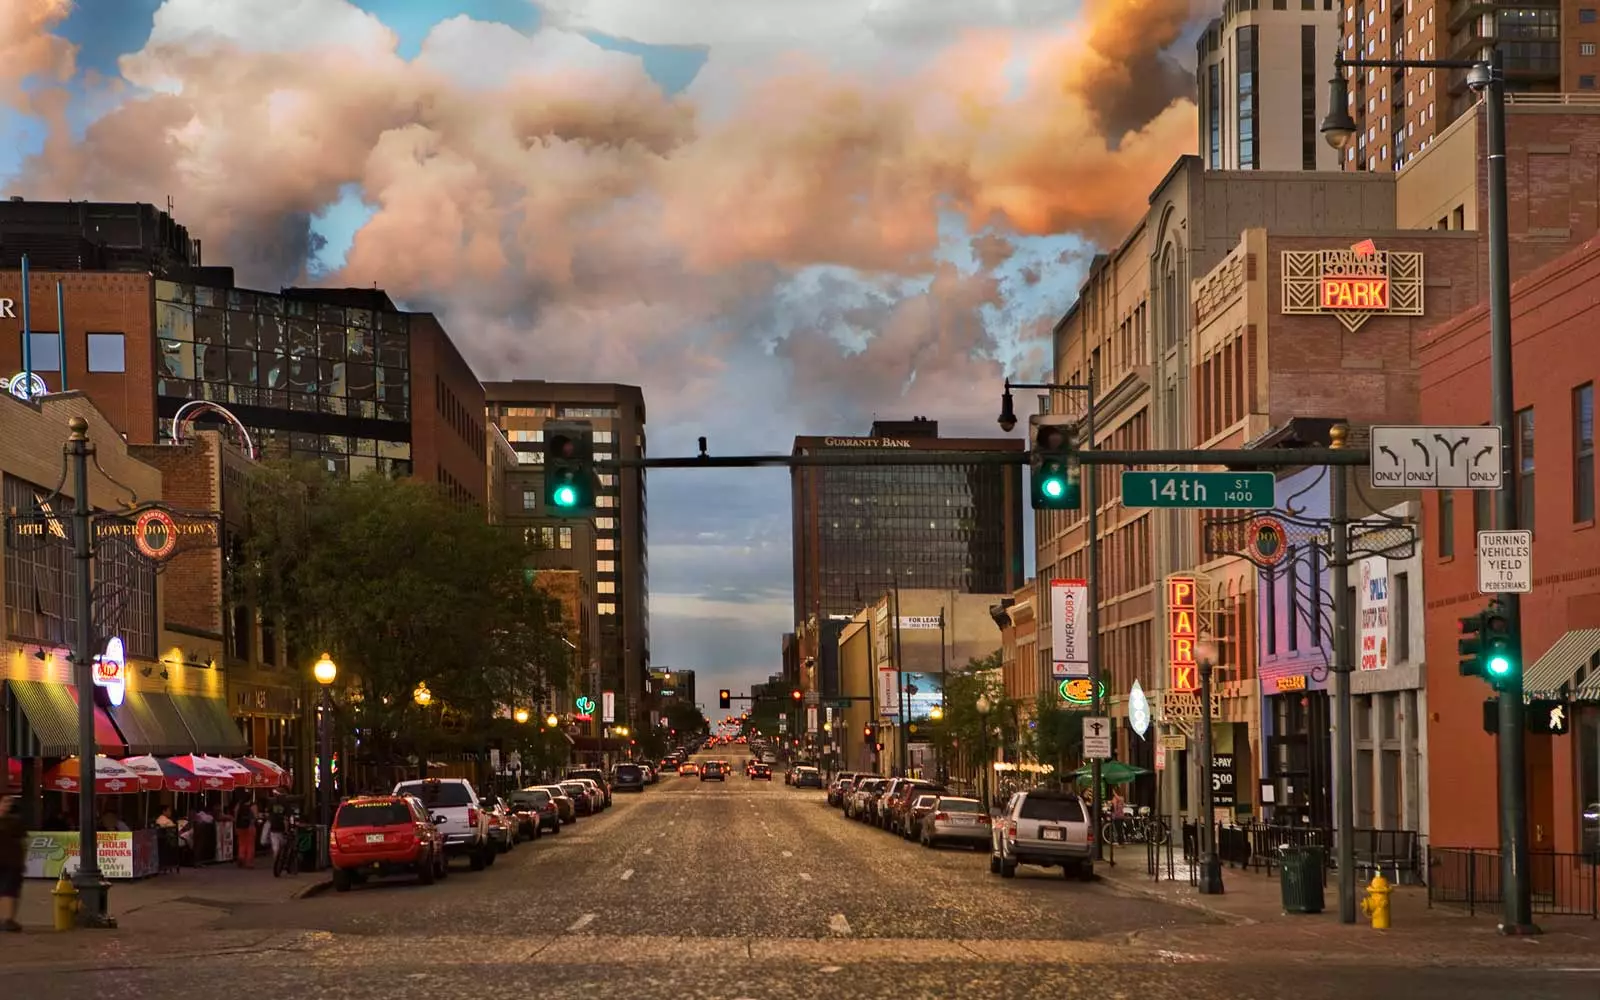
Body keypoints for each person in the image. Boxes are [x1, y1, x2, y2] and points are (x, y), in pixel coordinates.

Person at [0, 794, 25, 932]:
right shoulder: (14, 821)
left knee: (9, 890)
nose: (8, 804)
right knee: (8, 891)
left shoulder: (15, 821)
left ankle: (8, 919)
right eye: (5, 801)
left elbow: (22, 841)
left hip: (12, 861)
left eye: (10, 802)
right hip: (9, 862)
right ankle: (7, 920)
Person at [234, 798, 258, 869]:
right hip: (250, 827)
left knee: (242, 844)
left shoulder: (238, 805)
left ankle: (241, 857)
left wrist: (236, 826)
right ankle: (249, 862)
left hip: (240, 827)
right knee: (250, 845)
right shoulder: (253, 806)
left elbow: (236, 816)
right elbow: (255, 817)